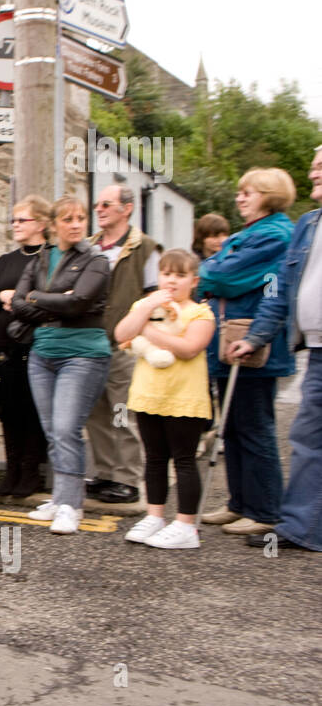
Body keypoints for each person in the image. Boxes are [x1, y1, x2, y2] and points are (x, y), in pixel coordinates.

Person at [228, 151, 320, 550]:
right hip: (316, 349)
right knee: (308, 437)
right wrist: (256, 336)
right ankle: (301, 527)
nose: (312, 171)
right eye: (314, 163)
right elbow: (279, 289)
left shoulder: (282, 229)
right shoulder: (308, 225)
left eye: (320, 164)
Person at [197, 168, 297, 536]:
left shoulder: (274, 234)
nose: (240, 197)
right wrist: (212, 272)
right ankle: (240, 503)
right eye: (240, 192)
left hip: (248, 342)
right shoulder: (250, 234)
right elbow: (215, 274)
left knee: (254, 428)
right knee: (234, 428)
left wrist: (210, 272)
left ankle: (266, 509)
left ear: (269, 196)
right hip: (228, 340)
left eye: (249, 192)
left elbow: (219, 277)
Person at [12, 195, 112, 534]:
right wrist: (55, 301)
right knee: (54, 430)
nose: (76, 224)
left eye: (81, 218)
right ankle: (59, 497)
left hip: (83, 355)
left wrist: (37, 298)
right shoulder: (40, 258)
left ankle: (71, 504)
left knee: (68, 429)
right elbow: (15, 302)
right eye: (68, 219)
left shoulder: (96, 259)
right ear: (53, 225)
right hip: (43, 354)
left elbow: (80, 303)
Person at [115, 249, 215, 548]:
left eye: (180, 275)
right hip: (149, 394)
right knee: (155, 459)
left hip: (184, 397)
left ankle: (185, 525)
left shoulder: (200, 313)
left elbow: (188, 348)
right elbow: (122, 333)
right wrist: (146, 310)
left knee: (184, 460)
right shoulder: (145, 305)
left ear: (193, 281)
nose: (172, 280)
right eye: (167, 273)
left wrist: (147, 330)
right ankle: (154, 516)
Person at [81, 184, 159, 504]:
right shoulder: (88, 247)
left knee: (121, 412)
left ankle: (127, 478)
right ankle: (104, 473)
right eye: (97, 205)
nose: (98, 210)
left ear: (127, 209)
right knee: (95, 414)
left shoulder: (148, 248)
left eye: (107, 204)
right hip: (89, 342)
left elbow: (154, 297)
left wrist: (142, 337)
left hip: (125, 345)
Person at [0, 195, 51, 498]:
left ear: (42, 223)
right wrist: (2, 297)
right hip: (4, 344)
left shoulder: (50, 259)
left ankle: (31, 472)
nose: (16, 225)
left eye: (23, 220)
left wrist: (22, 301)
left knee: (32, 410)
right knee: (8, 410)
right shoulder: (5, 261)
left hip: (34, 342)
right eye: (14, 220)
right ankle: (11, 471)